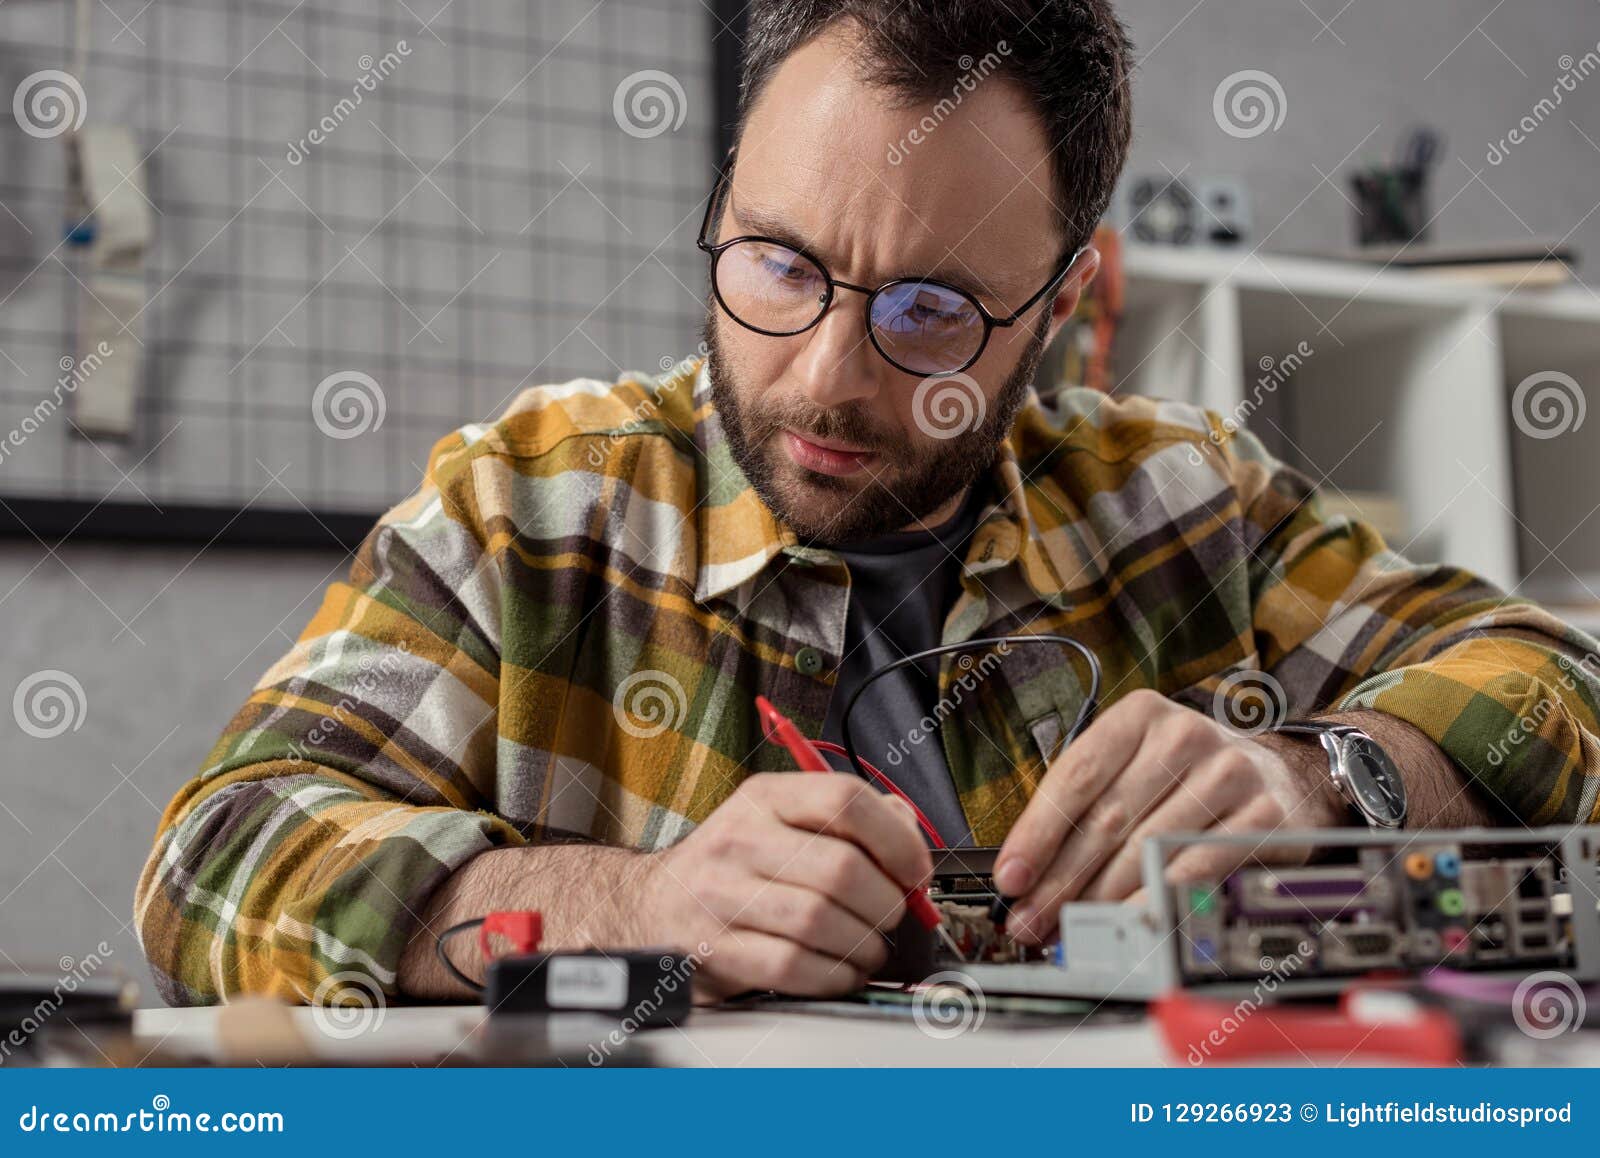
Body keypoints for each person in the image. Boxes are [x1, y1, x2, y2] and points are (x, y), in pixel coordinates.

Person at [136, 0, 1600, 1007]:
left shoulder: (1179, 505)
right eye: (778, 264)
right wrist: (633, 909)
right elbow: (215, 862)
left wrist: (1322, 777)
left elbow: (1557, 677)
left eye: (930, 310)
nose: (825, 378)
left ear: (1062, 309)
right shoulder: (530, 509)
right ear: (724, 205)